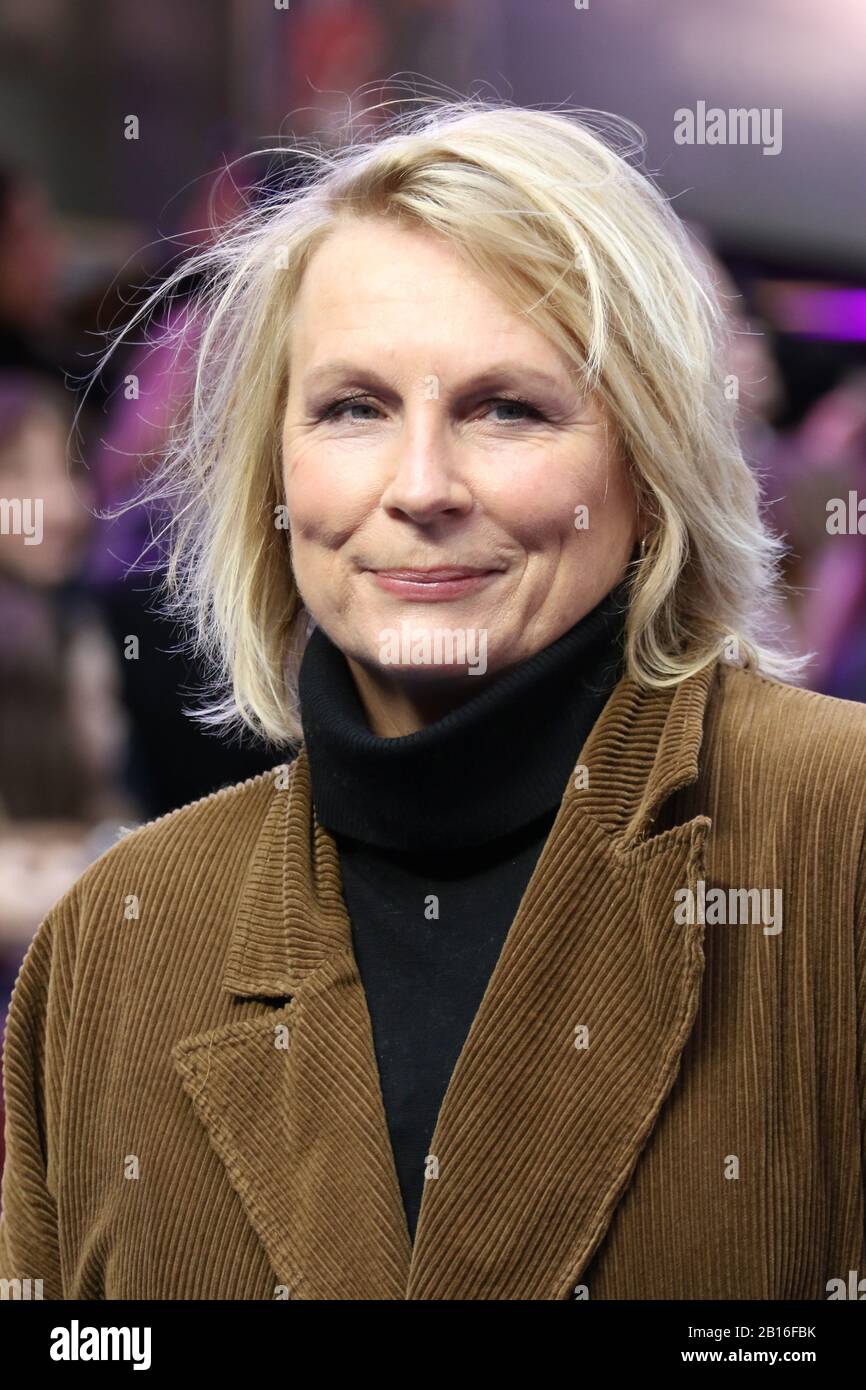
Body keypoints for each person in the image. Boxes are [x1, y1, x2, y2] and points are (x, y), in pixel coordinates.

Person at [1, 99, 865, 1301]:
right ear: (276, 472)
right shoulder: (125, 932)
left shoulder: (836, 834)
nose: (419, 487)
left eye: (506, 407)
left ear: (648, 463)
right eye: (352, 407)